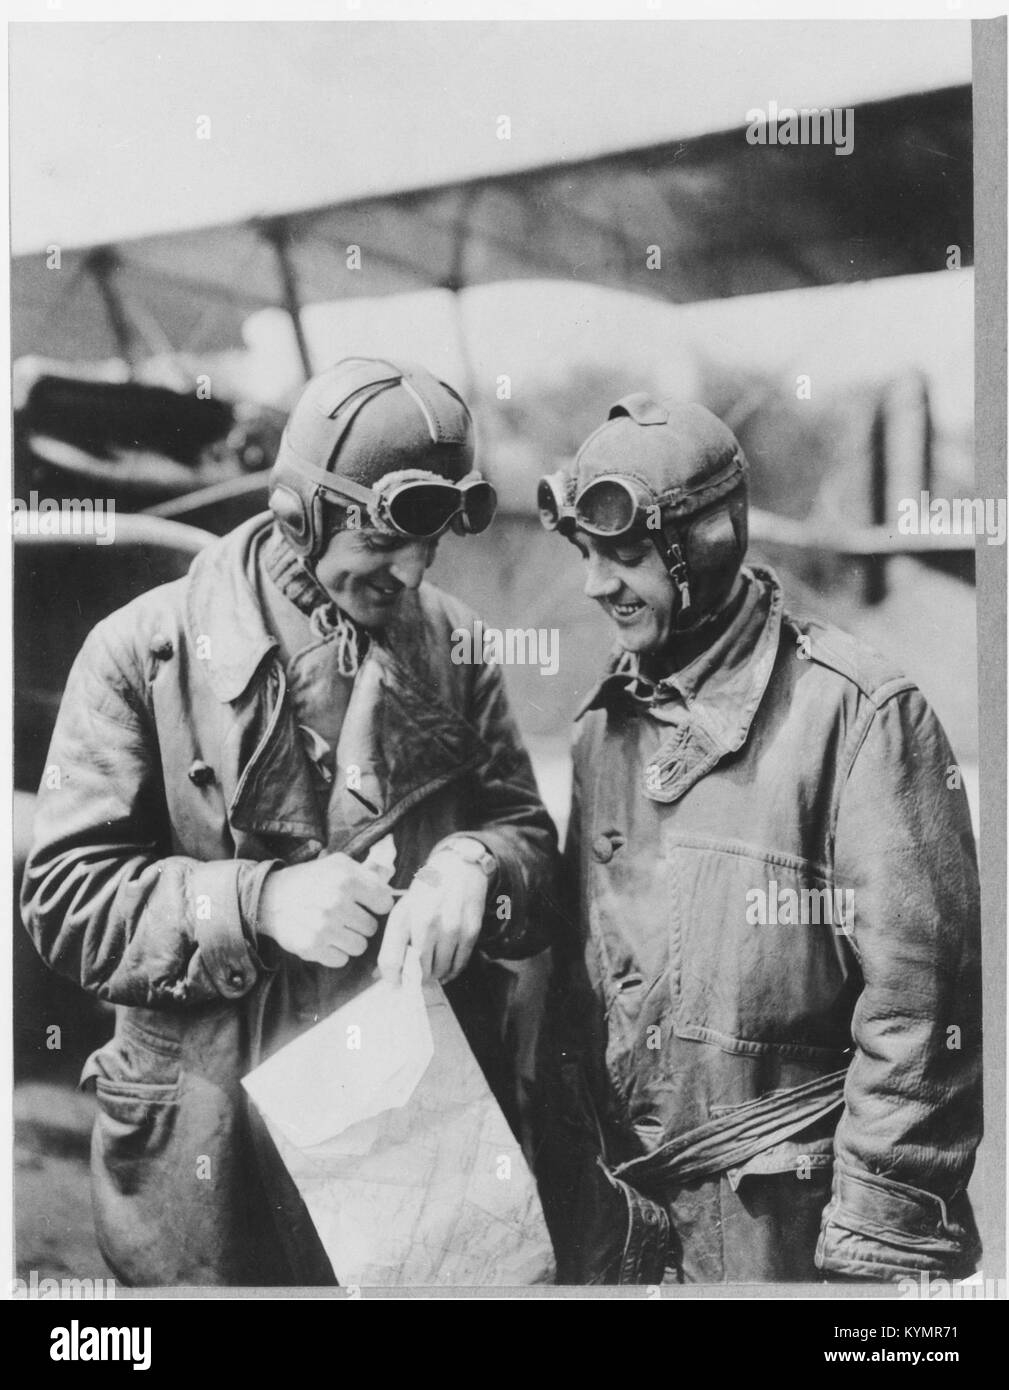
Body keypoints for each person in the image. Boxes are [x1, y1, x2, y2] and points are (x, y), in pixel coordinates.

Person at [21, 356, 557, 1286]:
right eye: (387, 538)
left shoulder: (457, 648)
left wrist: (476, 864)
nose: (415, 569)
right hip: (210, 1152)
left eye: (428, 545)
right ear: (300, 512)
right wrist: (254, 904)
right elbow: (65, 900)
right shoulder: (139, 653)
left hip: (404, 1144)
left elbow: (528, 842)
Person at [533, 391, 982, 1285]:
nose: (594, 584)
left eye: (622, 555)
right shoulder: (601, 731)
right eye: (586, 556)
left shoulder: (854, 715)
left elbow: (922, 1017)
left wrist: (871, 1249)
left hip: (782, 1238)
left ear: (700, 548)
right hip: (628, 1234)